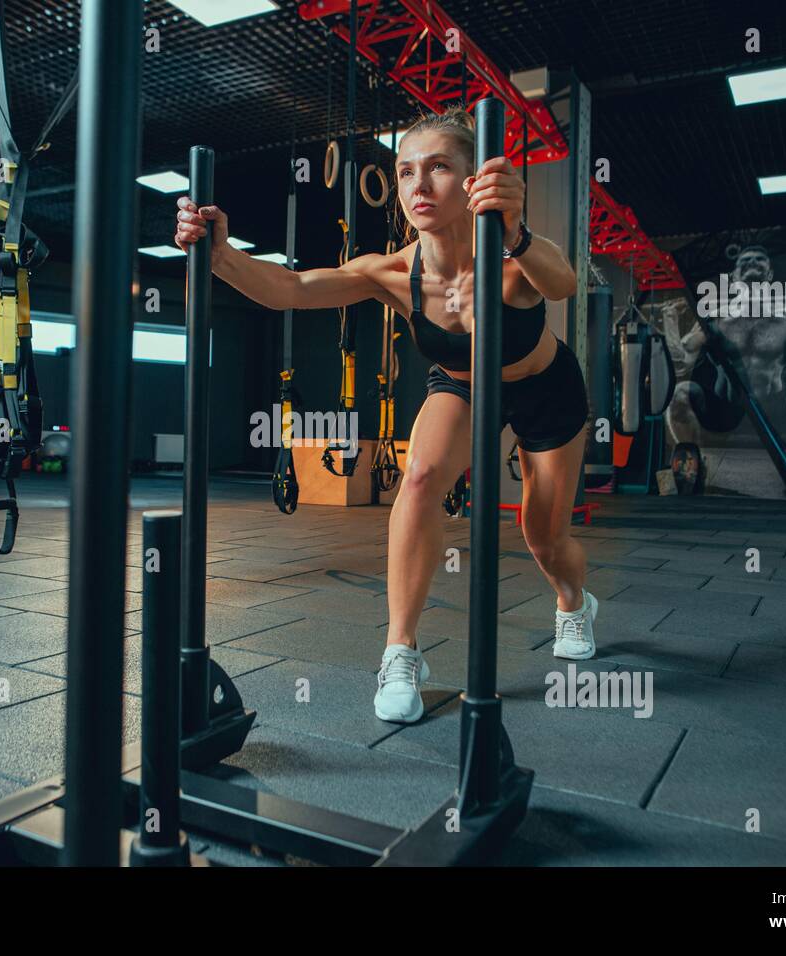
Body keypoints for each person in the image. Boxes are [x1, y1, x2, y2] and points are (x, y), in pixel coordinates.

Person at [173, 108, 594, 723]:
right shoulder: (394, 272)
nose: (418, 185)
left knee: (544, 537)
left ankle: (572, 601)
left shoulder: (509, 261)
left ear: (475, 180)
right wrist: (221, 255)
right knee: (418, 478)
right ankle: (401, 650)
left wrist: (520, 231)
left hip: (543, 387)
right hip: (461, 385)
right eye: (404, 172)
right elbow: (294, 289)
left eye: (438, 168)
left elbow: (563, 284)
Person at [664, 244, 786, 478]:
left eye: (759, 259)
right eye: (745, 260)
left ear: (770, 274)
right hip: (726, 410)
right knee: (680, 394)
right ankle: (693, 469)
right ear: (733, 278)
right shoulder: (715, 320)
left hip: (775, 409)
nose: (752, 262)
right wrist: (669, 321)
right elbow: (682, 363)